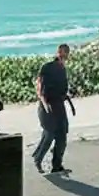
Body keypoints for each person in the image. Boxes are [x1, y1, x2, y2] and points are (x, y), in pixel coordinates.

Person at [32, 43, 71, 174]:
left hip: (59, 106)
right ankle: (38, 159)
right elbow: (39, 87)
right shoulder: (47, 67)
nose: (64, 55)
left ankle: (57, 165)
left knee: (62, 136)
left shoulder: (63, 68)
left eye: (66, 52)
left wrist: (66, 96)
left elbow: (62, 89)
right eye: (62, 52)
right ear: (58, 52)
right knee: (49, 135)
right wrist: (44, 103)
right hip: (47, 106)